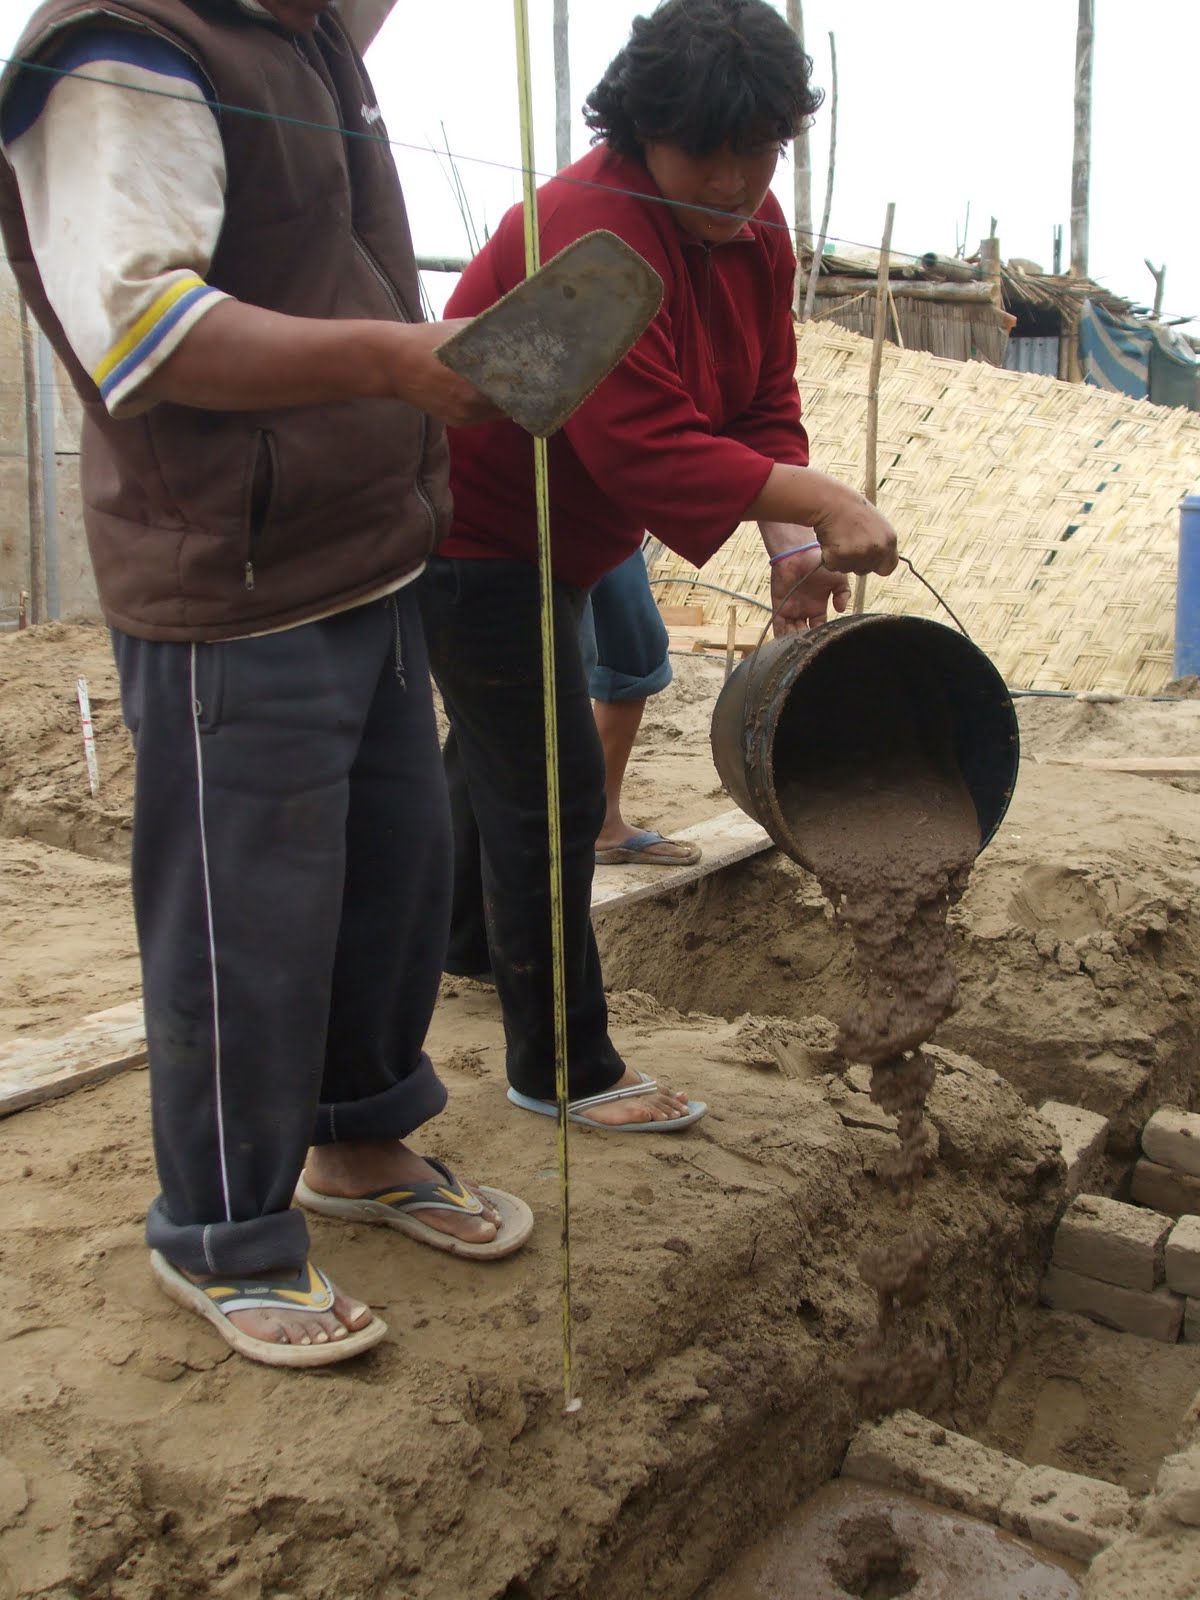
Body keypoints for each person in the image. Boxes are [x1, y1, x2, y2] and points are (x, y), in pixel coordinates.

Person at [0, 0, 533, 1370]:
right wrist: (397, 361)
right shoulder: (130, 53)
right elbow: (144, 334)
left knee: (389, 879)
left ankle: (358, 1138)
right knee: (249, 929)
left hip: (365, 547)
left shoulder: (298, 32)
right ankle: (221, 1232)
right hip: (231, 576)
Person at [420, 0, 894, 1133]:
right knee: (552, 783)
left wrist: (793, 549)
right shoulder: (586, 231)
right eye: (710, 154)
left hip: (569, 535)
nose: (736, 181)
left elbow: (764, 400)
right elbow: (645, 445)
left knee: (499, 750)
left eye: (762, 150)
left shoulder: (751, 228)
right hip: (475, 527)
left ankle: (462, 949)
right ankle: (563, 1064)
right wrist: (826, 501)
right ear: (640, 133)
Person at [580, 546, 704, 868]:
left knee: (634, 648)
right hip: (520, 519)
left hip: (604, 510)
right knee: (547, 656)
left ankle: (601, 824)